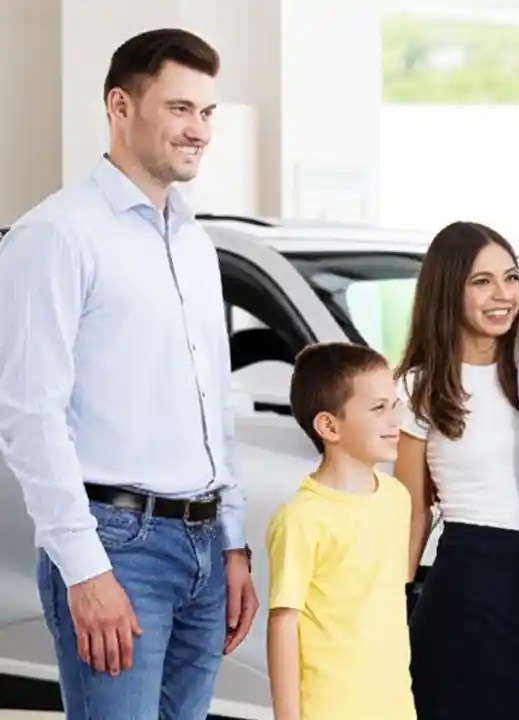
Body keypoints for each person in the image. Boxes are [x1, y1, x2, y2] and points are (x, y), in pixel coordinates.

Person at [0, 28, 257, 719]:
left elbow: (216, 409)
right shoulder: (56, 235)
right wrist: (86, 570)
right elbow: (29, 417)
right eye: (180, 108)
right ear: (120, 105)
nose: (199, 130)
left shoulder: (197, 244)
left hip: (204, 547)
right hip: (118, 547)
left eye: (207, 113)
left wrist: (233, 546)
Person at [394, 221, 519, 720]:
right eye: (482, 281)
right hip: (464, 591)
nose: (503, 295)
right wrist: (388, 608)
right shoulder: (419, 387)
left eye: (511, 277)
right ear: (449, 289)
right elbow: (412, 512)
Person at [265, 342, 415, 720]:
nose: (394, 420)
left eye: (394, 405)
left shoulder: (396, 498)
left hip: (395, 706)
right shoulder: (302, 517)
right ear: (329, 426)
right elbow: (283, 623)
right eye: (378, 408)